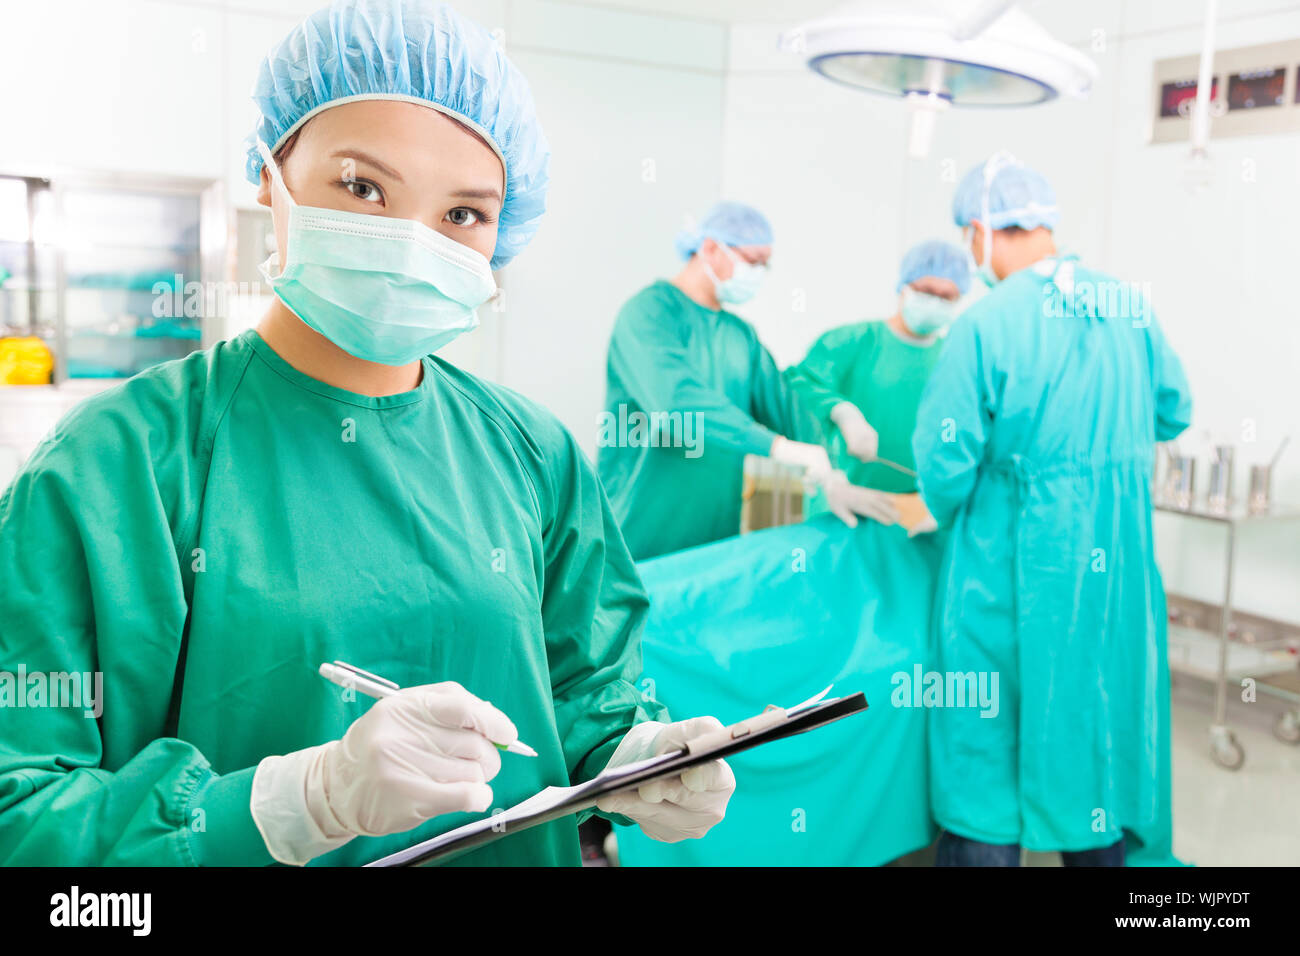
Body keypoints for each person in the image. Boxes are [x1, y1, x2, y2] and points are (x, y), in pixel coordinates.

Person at [0, 0, 736, 867]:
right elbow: (26, 819)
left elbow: (583, 692)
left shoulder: (533, 453)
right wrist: (293, 804)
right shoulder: (116, 466)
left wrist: (633, 759)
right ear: (269, 175)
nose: (410, 242)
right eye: (362, 187)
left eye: (463, 214)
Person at [912, 151, 1193, 866]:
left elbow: (944, 466)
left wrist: (945, 510)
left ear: (981, 229)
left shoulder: (984, 325)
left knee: (988, 731)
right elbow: (1174, 410)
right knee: (1094, 713)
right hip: (1114, 561)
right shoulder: (1130, 304)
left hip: (1012, 561)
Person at [598, 202, 870, 560]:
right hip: (637, 536)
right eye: (752, 261)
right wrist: (779, 448)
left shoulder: (741, 337)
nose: (758, 273)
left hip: (713, 541)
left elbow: (786, 405)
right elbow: (677, 402)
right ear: (710, 249)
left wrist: (833, 465)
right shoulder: (649, 313)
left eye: (764, 265)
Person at [785, 239, 970, 517]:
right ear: (904, 287)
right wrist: (840, 410)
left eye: (947, 297)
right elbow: (793, 388)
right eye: (927, 291)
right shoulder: (854, 341)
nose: (935, 302)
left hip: (918, 512)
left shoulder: (954, 360)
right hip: (846, 500)